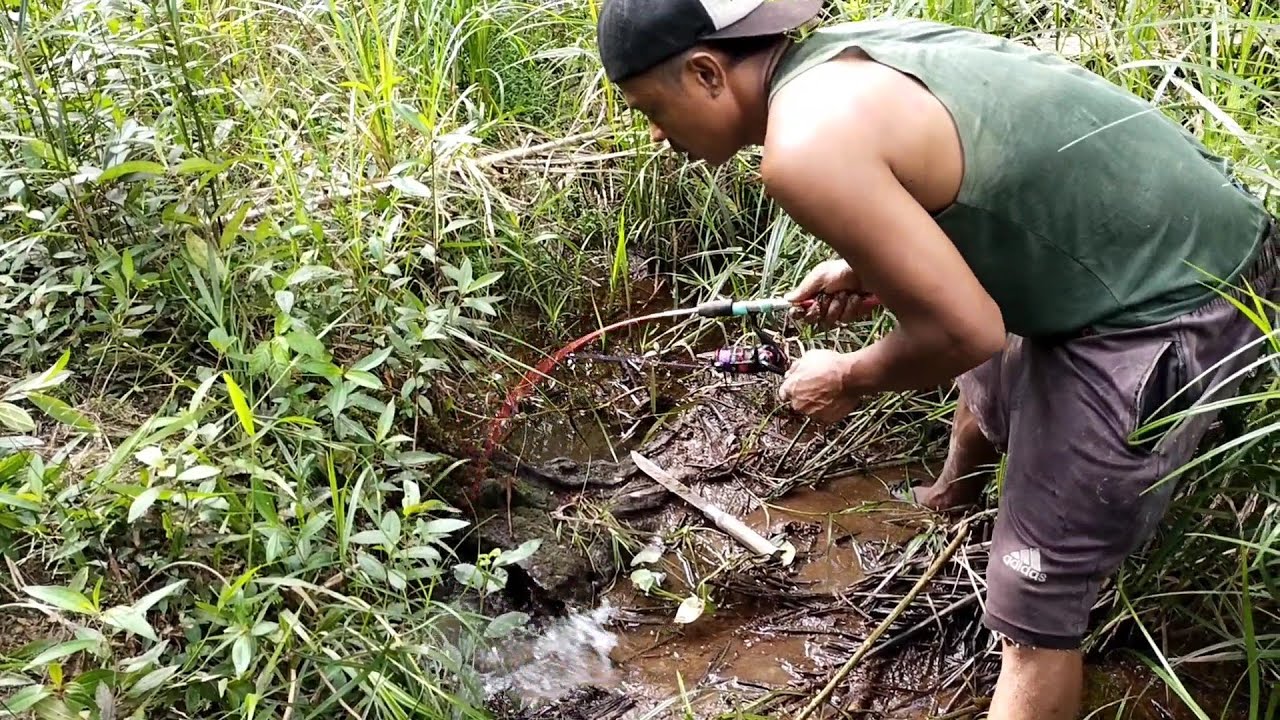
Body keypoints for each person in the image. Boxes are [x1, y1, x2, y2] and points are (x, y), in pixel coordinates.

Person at [594, 0, 1278, 718]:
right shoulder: (839, 57)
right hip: (1177, 236)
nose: (656, 133)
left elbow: (964, 334)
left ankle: (1031, 598)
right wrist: (868, 263)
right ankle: (951, 499)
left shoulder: (801, 150)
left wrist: (850, 375)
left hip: (1183, 302)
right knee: (977, 344)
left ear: (706, 72)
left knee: (1035, 614)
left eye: (651, 107)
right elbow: (975, 172)